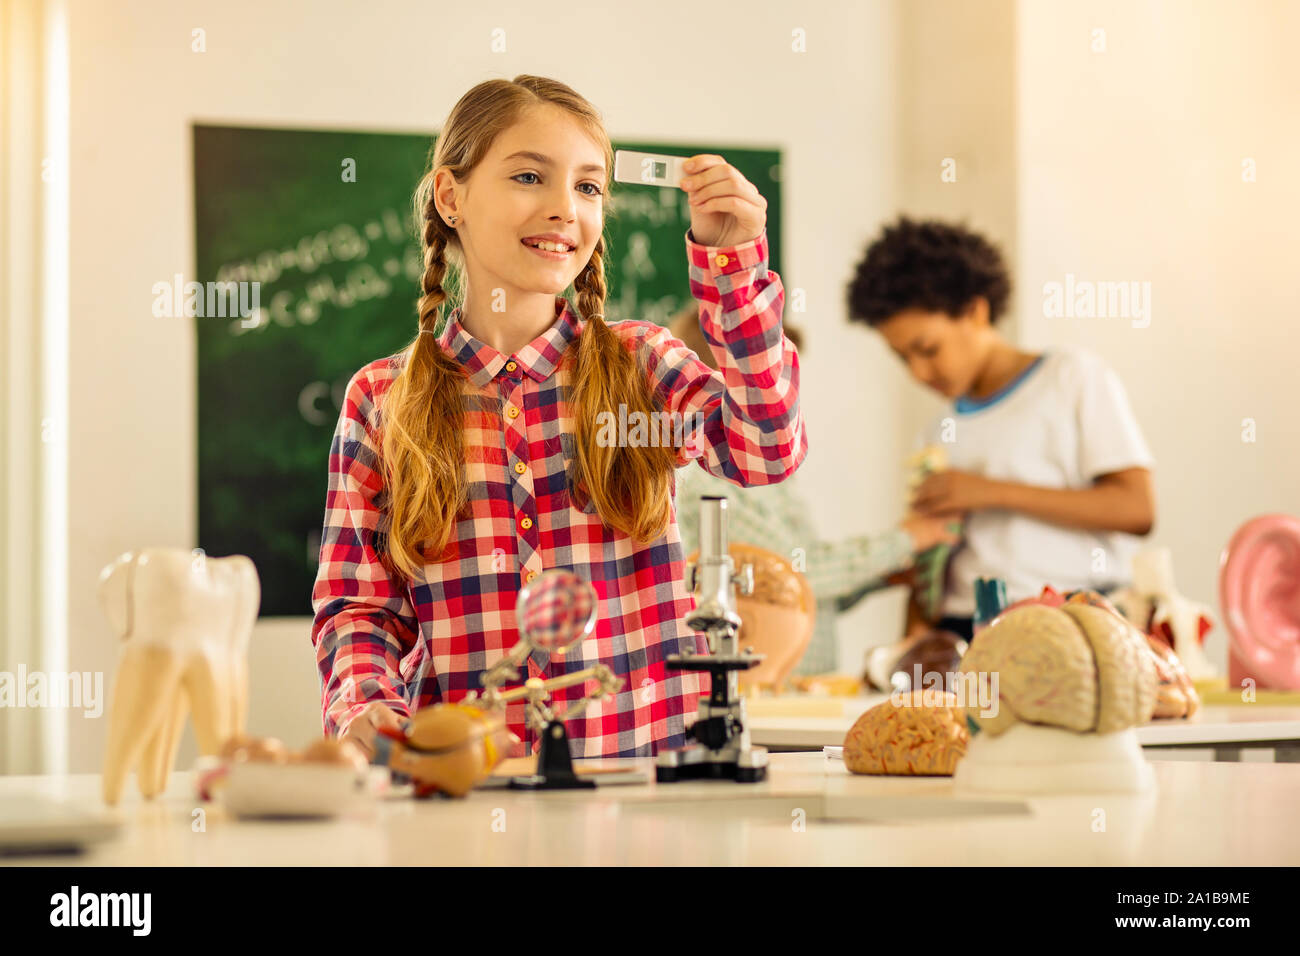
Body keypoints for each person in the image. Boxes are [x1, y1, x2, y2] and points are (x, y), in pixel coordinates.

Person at [310, 75, 806, 761]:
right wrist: (365, 704)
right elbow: (359, 609)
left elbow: (766, 451)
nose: (563, 209)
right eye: (528, 177)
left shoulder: (641, 364)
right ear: (451, 197)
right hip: (469, 789)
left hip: (647, 790)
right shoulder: (381, 399)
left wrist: (734, 266)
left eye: (588, 187)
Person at [846, 216, 1156, 641]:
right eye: (903, 358)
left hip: (1071, 624)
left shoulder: (1071, 378)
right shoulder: (938, 432)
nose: (918, 372)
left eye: (927, 349)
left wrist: (987, 491)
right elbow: (932, 568)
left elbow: (1136, 509)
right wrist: (911, 646)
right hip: (963, 632)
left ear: (976, 310)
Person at [669, 303, 960, 675]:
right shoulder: (708, 481)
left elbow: (805, 597)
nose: (787, 403)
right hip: (761, 692)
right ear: (724, 385)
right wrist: (905, 539)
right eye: (775, 386)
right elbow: (792, 577)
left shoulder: (768, 478)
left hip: (798, 690)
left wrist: (879, 577)